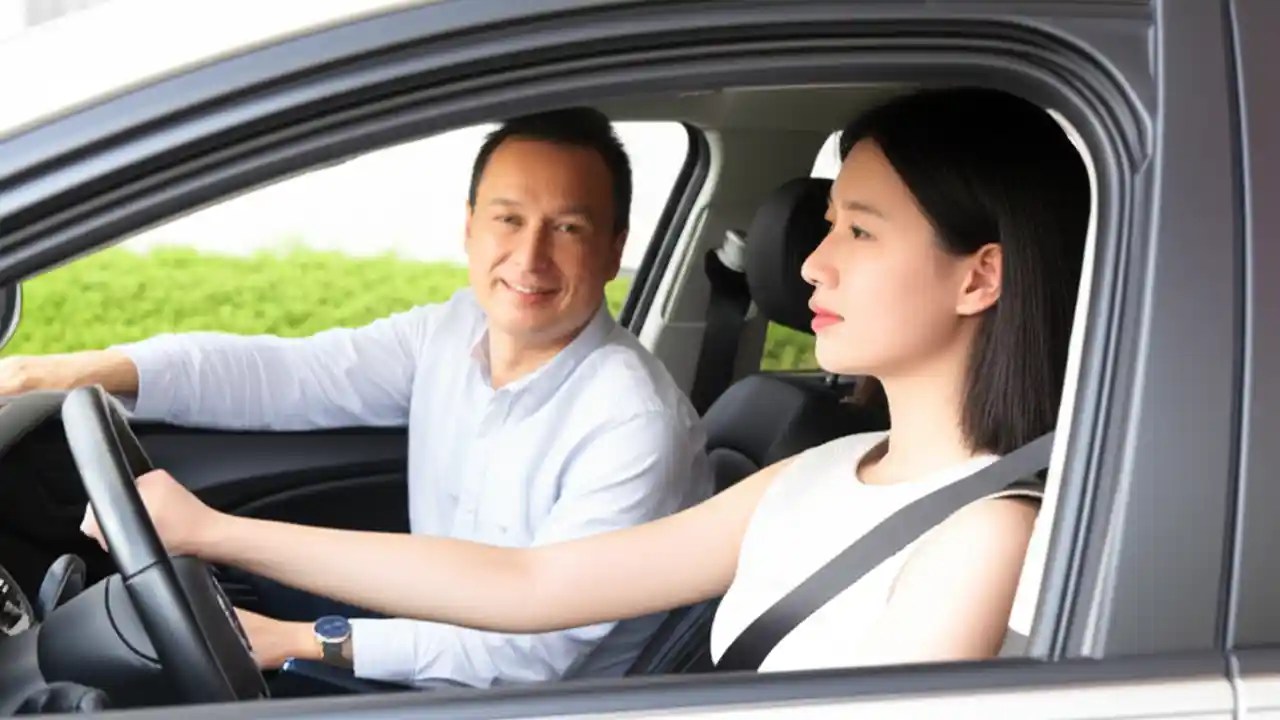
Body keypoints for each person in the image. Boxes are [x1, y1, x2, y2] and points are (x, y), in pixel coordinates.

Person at [83, 85, 1090, 673]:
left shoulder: (982, 531)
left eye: (857, 233)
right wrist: (213, 532)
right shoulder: (820, 471)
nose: (813, 265)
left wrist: (285, 623)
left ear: (979, 276)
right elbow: (533, 586)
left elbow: (531, 628)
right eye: (824, 229)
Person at [4, 107, 712, 687]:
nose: (529, 258)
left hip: (516, 704)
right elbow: (281, 377)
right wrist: (56, 374)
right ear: (469, 226)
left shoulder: (631, 423)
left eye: (568, 228)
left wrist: (296, 642)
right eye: (508, 219)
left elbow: (525, 658)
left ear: (615, 247)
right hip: (434, 653)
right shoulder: (452, 331)